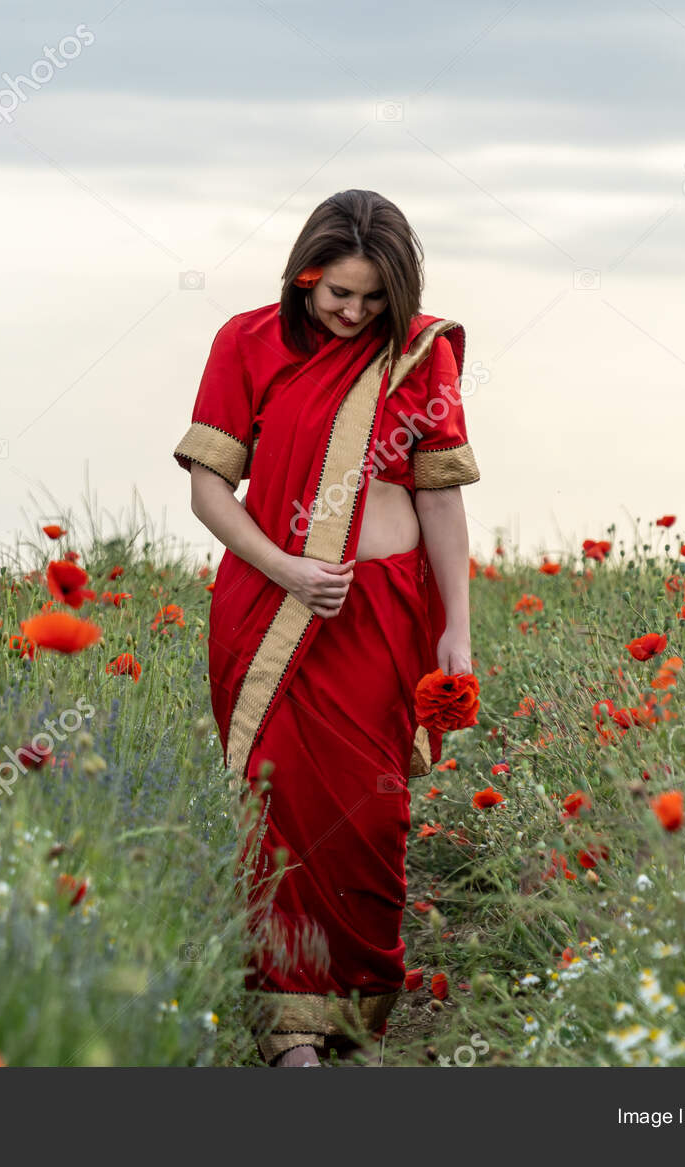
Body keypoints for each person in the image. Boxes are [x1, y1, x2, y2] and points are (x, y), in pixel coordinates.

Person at [173, 189, 478, 1066]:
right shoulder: (246, 342)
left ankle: (354, 1020)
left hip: (381, 616)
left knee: (371, 820)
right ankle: (288, 1031)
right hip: (274, 606)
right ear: (303, 273)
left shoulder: (417, 353)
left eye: (374, 298)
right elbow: (206, 488)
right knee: (281, 815)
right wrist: (289, 569)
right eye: (339, 293)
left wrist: (458, 625)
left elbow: (440, 496)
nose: (354, 313)